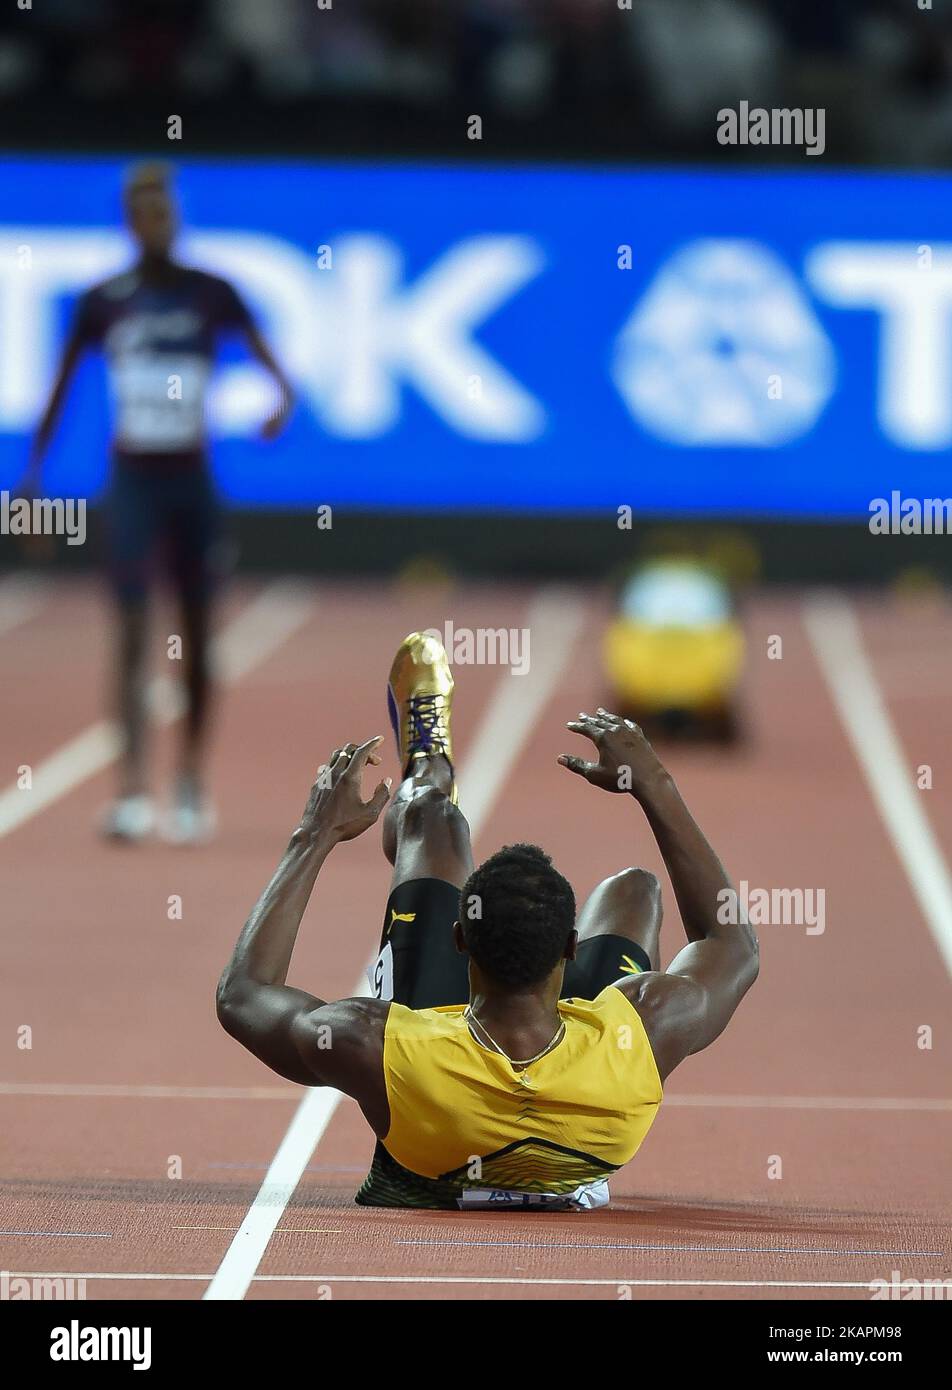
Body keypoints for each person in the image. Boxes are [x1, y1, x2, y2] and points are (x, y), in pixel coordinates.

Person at [216, 632, 759, 1209]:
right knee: (636, 889)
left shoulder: (373, 1042)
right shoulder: (650, 1024)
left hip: (434, 1090)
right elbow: (729, 942)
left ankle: (426, 769)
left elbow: (243, 995)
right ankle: (430, 779)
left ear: (459, 940)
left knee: (434, 821)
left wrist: (314, 837)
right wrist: (656, 785)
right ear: (570, 949)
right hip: (583, 1093)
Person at [24, 163, 294, 842]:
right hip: (133, 483)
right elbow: (59, 388)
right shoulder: (105, 301)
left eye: (164, 211)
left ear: (176, 218)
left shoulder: (212, 294)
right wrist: (32, 476)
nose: (156, 222)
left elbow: (274, 370)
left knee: (200, 638)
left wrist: (279, 404)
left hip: (191, 484)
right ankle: (133, 791)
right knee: (131, 633)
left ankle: (191, 783)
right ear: (129, 222)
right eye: (143, 212)